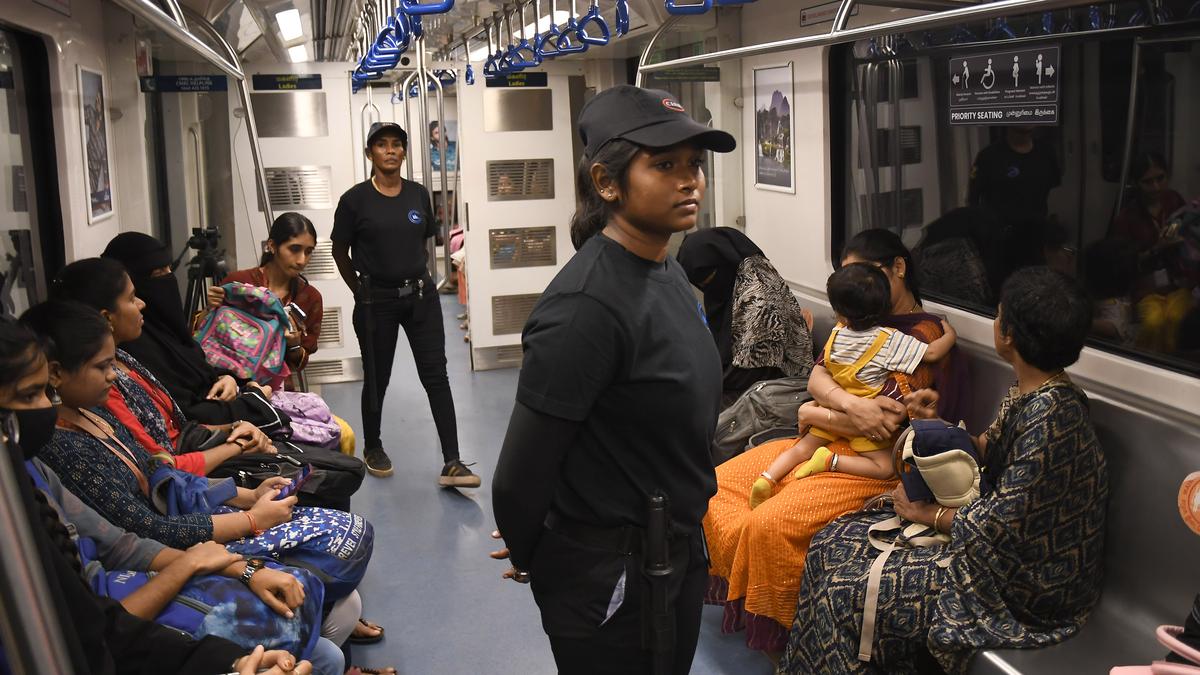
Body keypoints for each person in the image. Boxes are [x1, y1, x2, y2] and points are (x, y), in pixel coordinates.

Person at [491, 85, 736, 674]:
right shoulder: (585, 307)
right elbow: (519, 476)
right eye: (665, 165)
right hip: (612, 575)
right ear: (607, 183)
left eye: (694, 165)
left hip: (676, 550)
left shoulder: (667, 271)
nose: (690, 180)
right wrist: (554, 554)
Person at [779, 266, 1107, 674]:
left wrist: (923, 514)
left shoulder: (1052, 417)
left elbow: (998, 526)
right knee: (830, 542)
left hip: (1026, 587)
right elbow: (986, 449)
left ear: (1008, 335)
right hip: (996, 545)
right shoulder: (1036, 390)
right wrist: (934, 422)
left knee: (848, 585)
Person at [702, 228, 970, 654]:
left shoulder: (918, 335)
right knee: (719, 485)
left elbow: (884, 423)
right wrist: (837, 403)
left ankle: (790, 638)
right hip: (828, 436)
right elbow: (817, 372)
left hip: (878, 462)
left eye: (866, 273)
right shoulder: (860, 323)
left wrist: (814, 411)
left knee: (768, 524)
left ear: (898, 269)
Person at [0, 317, 312, 675]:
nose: (113, 374)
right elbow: (148, 523)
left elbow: (129, 525)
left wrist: (240, 555)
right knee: (306, 628)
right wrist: (245, 521)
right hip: (141, 582)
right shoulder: (57, 450)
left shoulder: (47, 456)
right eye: (29, 396)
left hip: (148, 581)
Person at [24, 300, 297, 549]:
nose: (112, 376)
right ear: (57, 373)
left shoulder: (92, 412)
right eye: (102, 367)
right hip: (173, 547)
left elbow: (163, 475)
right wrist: (251, 520)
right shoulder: (61, 447)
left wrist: (250, 497)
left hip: (189, 522)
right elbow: (148, 529)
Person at [331, 121, 478, 486]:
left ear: (404, 152)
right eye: (382, 145)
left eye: (397, 144)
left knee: (437, 376)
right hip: (375, 302)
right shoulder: (354, 200)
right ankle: (373, 445)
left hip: (422, 298)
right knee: (377, 378)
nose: (391, 150)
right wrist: (359, 290)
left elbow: (425, 240)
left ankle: (453, 460)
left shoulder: (417, 195)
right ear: (370, 153)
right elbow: (339, 250)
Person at [750, 263, 956, 509]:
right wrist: (950, 335)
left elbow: (822, 369)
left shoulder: (837, 333)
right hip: (863, 425)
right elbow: (932, 353)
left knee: (800, 449)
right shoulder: (888, 340)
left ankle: (768, 478)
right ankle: (830, 461)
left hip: (832, 413)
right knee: (885, 467)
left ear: (840, 314)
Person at [52, 257, 272, 476]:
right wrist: (237, 445)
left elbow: (178, 429)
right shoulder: (101, 386)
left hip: (196, 458)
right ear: (106, 318)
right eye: (131, 299)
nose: (142, 303)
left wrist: (235, 428)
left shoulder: (124, 359)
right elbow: (158, 465)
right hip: (184, 477)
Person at [101, 232, 276, 426]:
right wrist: (255, 400)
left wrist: (228, 379)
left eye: (169, 269)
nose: (169, 279)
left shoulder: (165, 329)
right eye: (158, 273)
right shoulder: (133, 347)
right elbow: (184, 414)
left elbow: (196, 366)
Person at [677, 227, 814, 407]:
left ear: (724, 263)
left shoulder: (759, 298)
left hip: (774, 388)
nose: (705, 287)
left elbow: (753, 369)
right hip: (744, 383)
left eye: (707, 279)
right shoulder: (734, 283)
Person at [209, 212, 324, 378]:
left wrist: (294, 346)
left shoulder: (310, 297)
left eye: (309, 251)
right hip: (228, 379)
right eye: (294, 249)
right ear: (272, 245)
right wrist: (210, 308)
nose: (302, 260)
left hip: (276, 386)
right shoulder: (239, 284)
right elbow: (208, 334)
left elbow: (299, 362)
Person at [1110, 152, 1196, 353]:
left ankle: (1176, 366)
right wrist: (1156, 249)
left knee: (1177, 319)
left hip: (1178, 282)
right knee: (1154, 322)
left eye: (1160, 178)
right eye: (1148, 182)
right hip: (1145, 287)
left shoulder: (1174, 201)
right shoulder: (1127, 218)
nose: (1156, 187)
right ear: (1136, 183)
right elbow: (1122, 263)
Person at [967, 126, 1062, 271]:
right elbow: (972, 200)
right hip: (1001, 243)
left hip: (1037, 240)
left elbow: (1056, 191)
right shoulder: (989, 156)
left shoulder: (1046, 153)